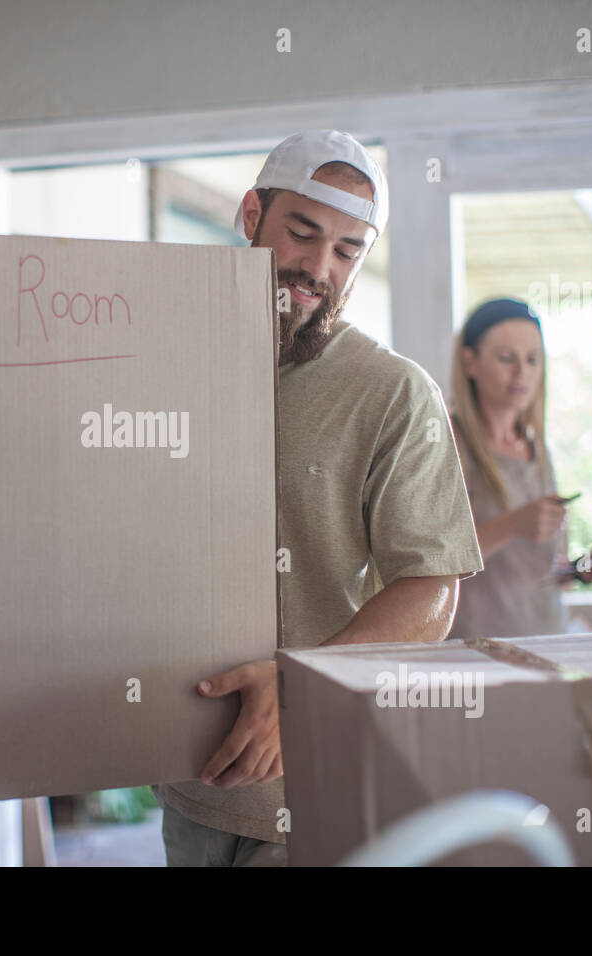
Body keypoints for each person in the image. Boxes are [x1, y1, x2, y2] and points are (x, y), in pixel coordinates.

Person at [154, 130, 485, 866]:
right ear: (250, 215)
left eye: (348, 250)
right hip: (187, 783)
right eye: (302, 234)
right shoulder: (171, 363)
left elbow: (432, 588)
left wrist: (300, 688)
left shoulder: (391, 393)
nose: (319, 267)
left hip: (312, 793)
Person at [446, 298, 592, 642]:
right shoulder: (447, 443)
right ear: (469, 362)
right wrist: (515, 522)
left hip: (547, 642)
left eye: (533, 360)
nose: (522, 373)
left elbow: (545, 570)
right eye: (506, 358)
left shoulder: (537, 448)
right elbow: (438, 565)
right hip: (475, 651)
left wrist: (582, 570)